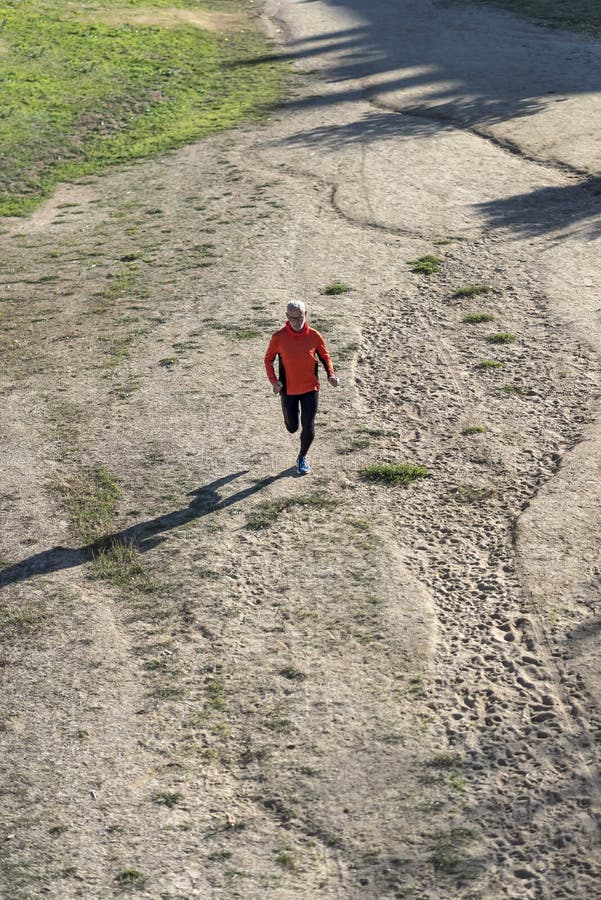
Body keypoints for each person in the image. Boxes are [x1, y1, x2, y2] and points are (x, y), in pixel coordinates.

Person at [264, 301, 339, 475]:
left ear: (307, 314)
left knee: (309, 426)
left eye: (300, 318)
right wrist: (274, 381)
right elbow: (268, 359)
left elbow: (325, 357)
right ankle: (289, 418)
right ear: (286, 317)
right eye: (292, 318)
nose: (297, 322)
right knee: (292, 427)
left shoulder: (314, 336)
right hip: (288, 390)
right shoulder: (278, 337)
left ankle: (302, 457)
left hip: (310, 388)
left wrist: (331, 375)